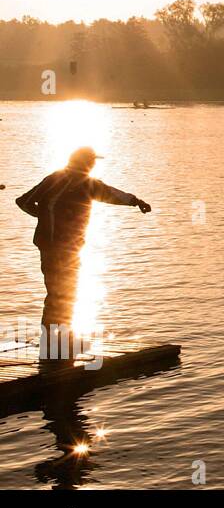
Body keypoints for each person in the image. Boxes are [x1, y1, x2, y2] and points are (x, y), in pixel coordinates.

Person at [14, 147, 151, 359]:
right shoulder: (87, 183)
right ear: (86, 163)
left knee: (56, 293)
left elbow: (23, 202)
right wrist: (137, 202)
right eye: (91, 162)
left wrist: (45, 215)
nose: (93, 165)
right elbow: (113, 195)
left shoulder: (54, 178)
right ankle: (58, 344)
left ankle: (53, 343)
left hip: (50, 245)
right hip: (64, 246)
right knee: (64, 293)